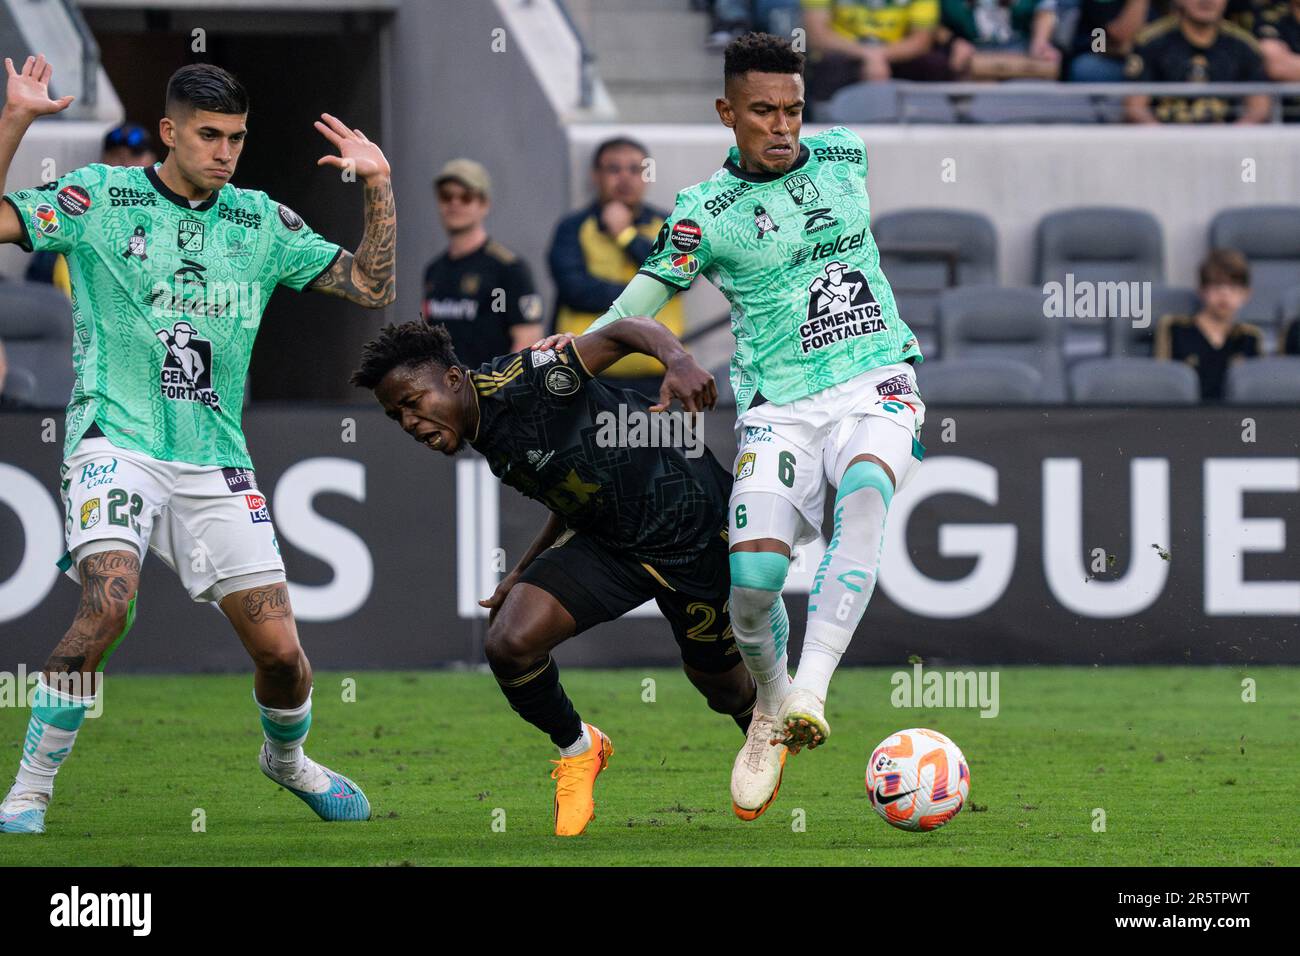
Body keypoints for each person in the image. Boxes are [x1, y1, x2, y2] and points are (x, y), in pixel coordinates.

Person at [534, 33, 926, 822]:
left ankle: (811, 689)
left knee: (867, 492)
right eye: (762, 112)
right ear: (727, 113)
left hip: (875, 379)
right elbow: (641, 298)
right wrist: (574, 350)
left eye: (792, 110)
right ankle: (772, 712)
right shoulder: (704, 212)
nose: (782, 126)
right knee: (749, 589)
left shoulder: (845, 155)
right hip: (778, 408)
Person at [0, 56, 396, 835]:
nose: (224, 151)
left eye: (237, 138)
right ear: (169, 132)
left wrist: (378, 184)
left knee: (282, 656)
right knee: (108, 602)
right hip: (115, 440)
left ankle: (287, 762)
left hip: (215, 460)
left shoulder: (261, 221)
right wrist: (14, 121)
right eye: (208, 134)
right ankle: (29, 791)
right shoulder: (101, 199)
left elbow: (370, 287)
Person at [352, 318, 755, 836]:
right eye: (395, 415)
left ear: (453, 379)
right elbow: (570, 489)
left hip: (692, 533)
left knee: (720, 688)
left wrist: (676, 361)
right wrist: (521, 571)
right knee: (510, 642)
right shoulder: (484, 432)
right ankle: (579, 748)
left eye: (413, 401)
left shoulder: (529, 380)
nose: (408, 421)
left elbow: (625, 331)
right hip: (611, 546)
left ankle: (762, 735)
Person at [547, 137, 686, 399]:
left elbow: (678, 278)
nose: (625, 178)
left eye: (635, 170)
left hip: (658, 375)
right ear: (596, 175)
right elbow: (575, 290)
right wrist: (649, 293)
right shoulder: (572, 227)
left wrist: (626, 236)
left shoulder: (671, 223)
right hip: (586, 372)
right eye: (613, 169)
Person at [420, 158, 544, 368]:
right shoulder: (434, 270)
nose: (454, 203)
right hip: (446, 393)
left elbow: (528, 340)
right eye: (446, 196)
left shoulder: (508, 268)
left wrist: (497, 390)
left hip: (491, 392)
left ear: (484, 204)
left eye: (466, 197)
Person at [26, 122, 158, 295]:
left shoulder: (166, 213)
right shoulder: (77, 213)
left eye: (135, 154)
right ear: (102, 160)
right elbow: (39, 287)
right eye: (116, 154)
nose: (125, 162)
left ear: (153, 160)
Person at [1124, 0, 1272, 123]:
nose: (1206, 1)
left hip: (1225, 146)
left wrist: (1232, 139)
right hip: (1163, 144)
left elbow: (1260, 108)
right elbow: (1135, 108)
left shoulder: (1244, 45)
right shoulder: (1150, 42)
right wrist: (1165, 141)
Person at [1154, 249, 1264, 400]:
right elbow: (1164, 383)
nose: (1224, 294)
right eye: (1217, 286)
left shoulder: (1251, 336)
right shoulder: (1175, 328)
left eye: (1233, 288)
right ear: (1202, 290)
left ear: (1246, 294)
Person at [802, 0, 953, 102]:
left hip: (897, 55)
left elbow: (922, 40)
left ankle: (928, 132)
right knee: (830, 66)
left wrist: (880, 56)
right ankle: (826, 136)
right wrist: (868, 55)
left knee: (934, 64)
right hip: (844, 53)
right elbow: (817, 34)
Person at [941, 0, 1063, 80]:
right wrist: (954, 41)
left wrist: (1040, 43)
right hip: (974, 52)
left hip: (1021, 52)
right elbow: (936, 26)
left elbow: (1044, 11)